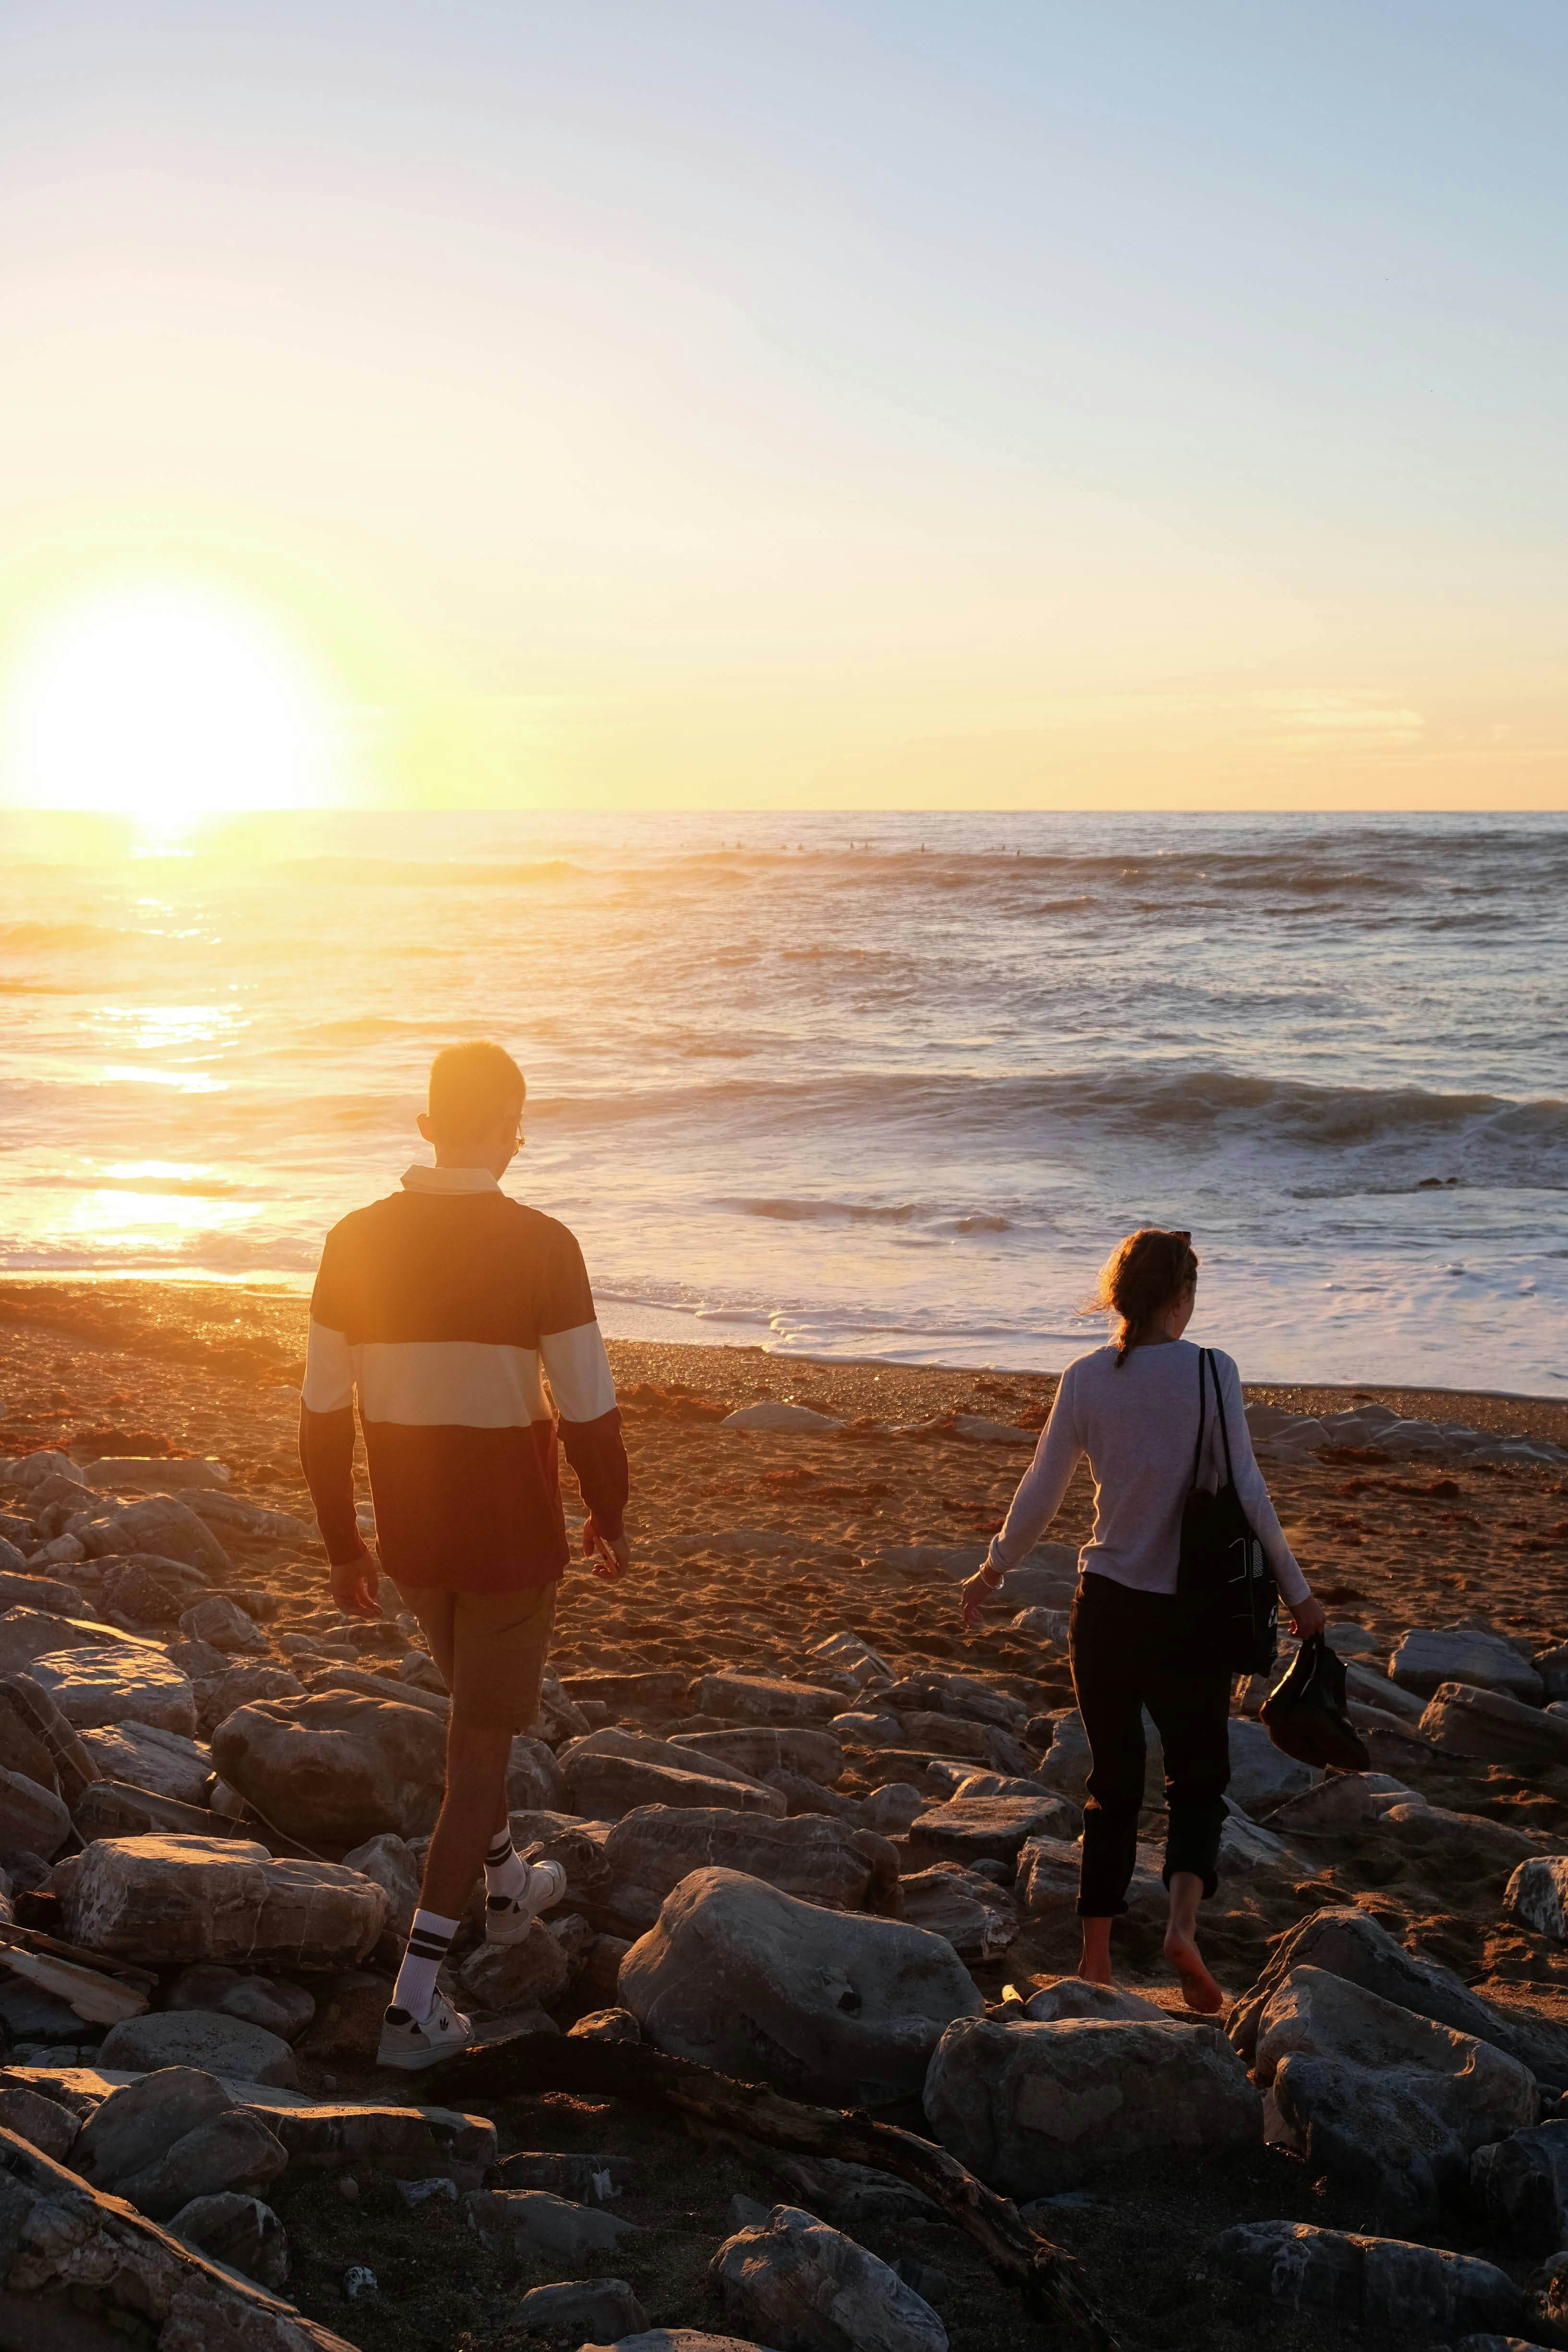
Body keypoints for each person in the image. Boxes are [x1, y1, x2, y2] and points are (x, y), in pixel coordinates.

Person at [299, 1040, 630, 2069]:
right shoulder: (541, 1244)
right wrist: (610, 1511)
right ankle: (415, 2005)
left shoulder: (353, 1239)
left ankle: (506, 1889)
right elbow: (588, 1407)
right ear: (503, 1124)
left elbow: (319, 1418)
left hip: (410, 1538)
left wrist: (344, 1543)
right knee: (476, 1761)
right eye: (518, 1125)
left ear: (429, 1121)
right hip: (509, 1544)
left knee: (474, 1725)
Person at [959, 1228, 1322, 2013]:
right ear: (1180, 1300)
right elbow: (1248, 1491)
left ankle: (1095, 1962)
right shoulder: (1209, 1371)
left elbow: (1041, 1490)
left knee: (1112, 1785)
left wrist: (992, 1568)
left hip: (1107, 1611)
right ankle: (1181, 1929)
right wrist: (1298, 1595)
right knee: (1199, 1781)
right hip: (1190, 1615)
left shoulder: (1086, 1378)